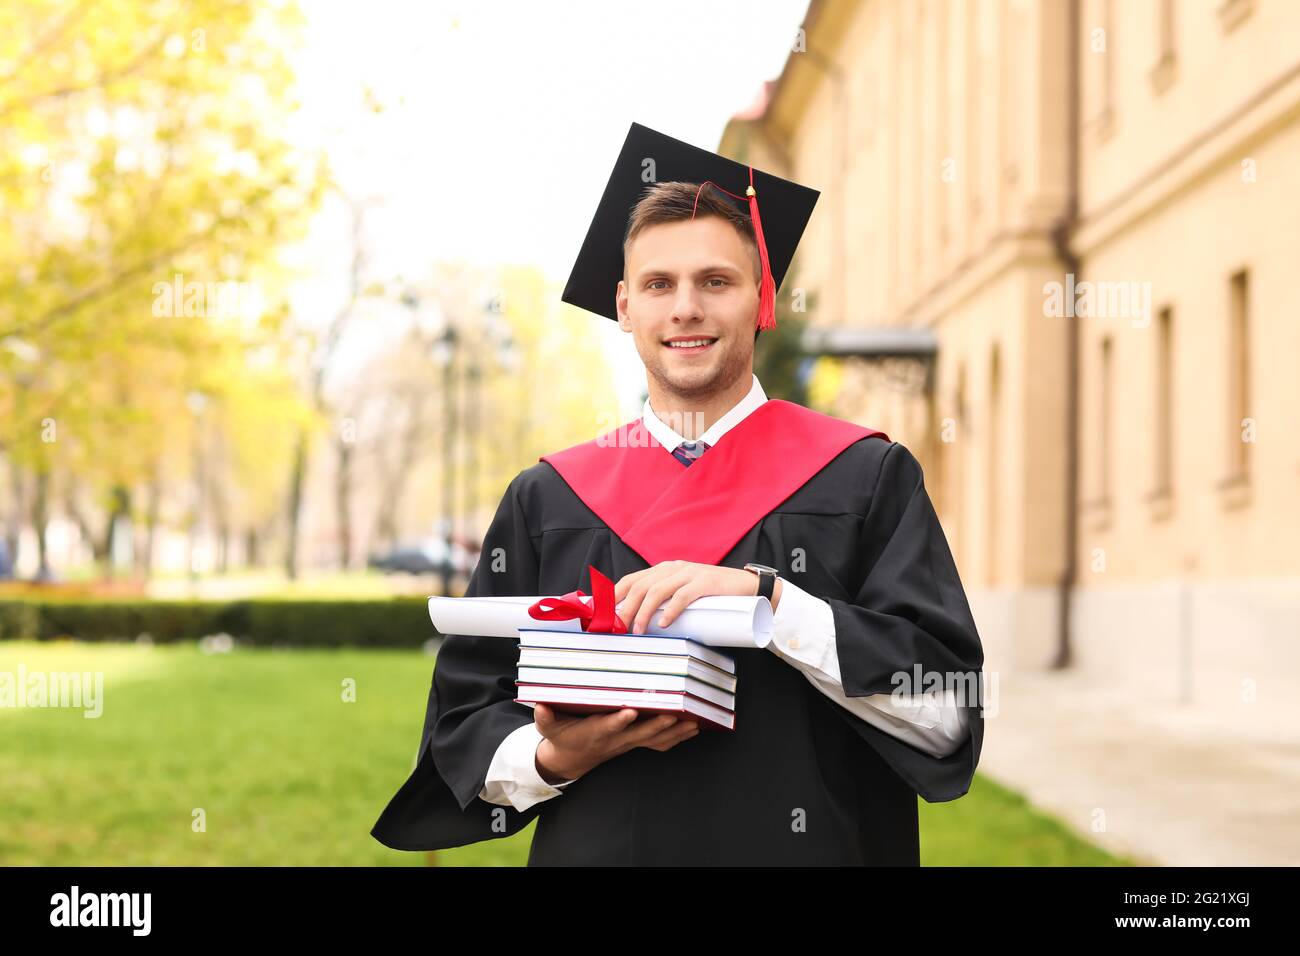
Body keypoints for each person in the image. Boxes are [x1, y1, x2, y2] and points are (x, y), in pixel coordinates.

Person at [371, 122, 985, 865]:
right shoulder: (548, 499)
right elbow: (462, 735)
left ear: (762, 300)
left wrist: (772, 603)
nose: (685, 308)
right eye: (660, 285)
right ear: (625, 307)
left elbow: (946, 717)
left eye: (715, 281)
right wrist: (556, 757)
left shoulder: (865, 478)